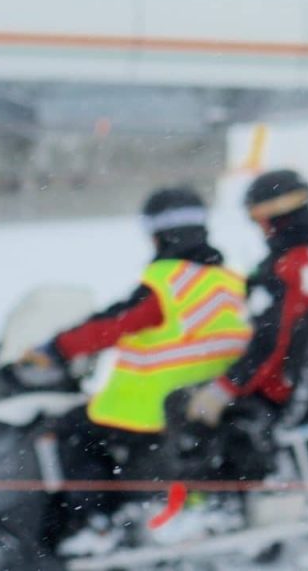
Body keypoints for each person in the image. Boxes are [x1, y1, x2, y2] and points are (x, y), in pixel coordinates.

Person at [22, 188, 250, 515]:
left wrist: (56, 348)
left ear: (156, 234)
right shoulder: (228, 280)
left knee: (70, 432)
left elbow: (114, 323)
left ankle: (95, 523)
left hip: (158, 404)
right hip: (206, 400)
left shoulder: (167, 284)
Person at [181, 169, 308, 446]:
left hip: (287, 396)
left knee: (189, 416)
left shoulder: (281, 269)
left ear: (267, 220)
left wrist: (224, 388)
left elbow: (271, 342)